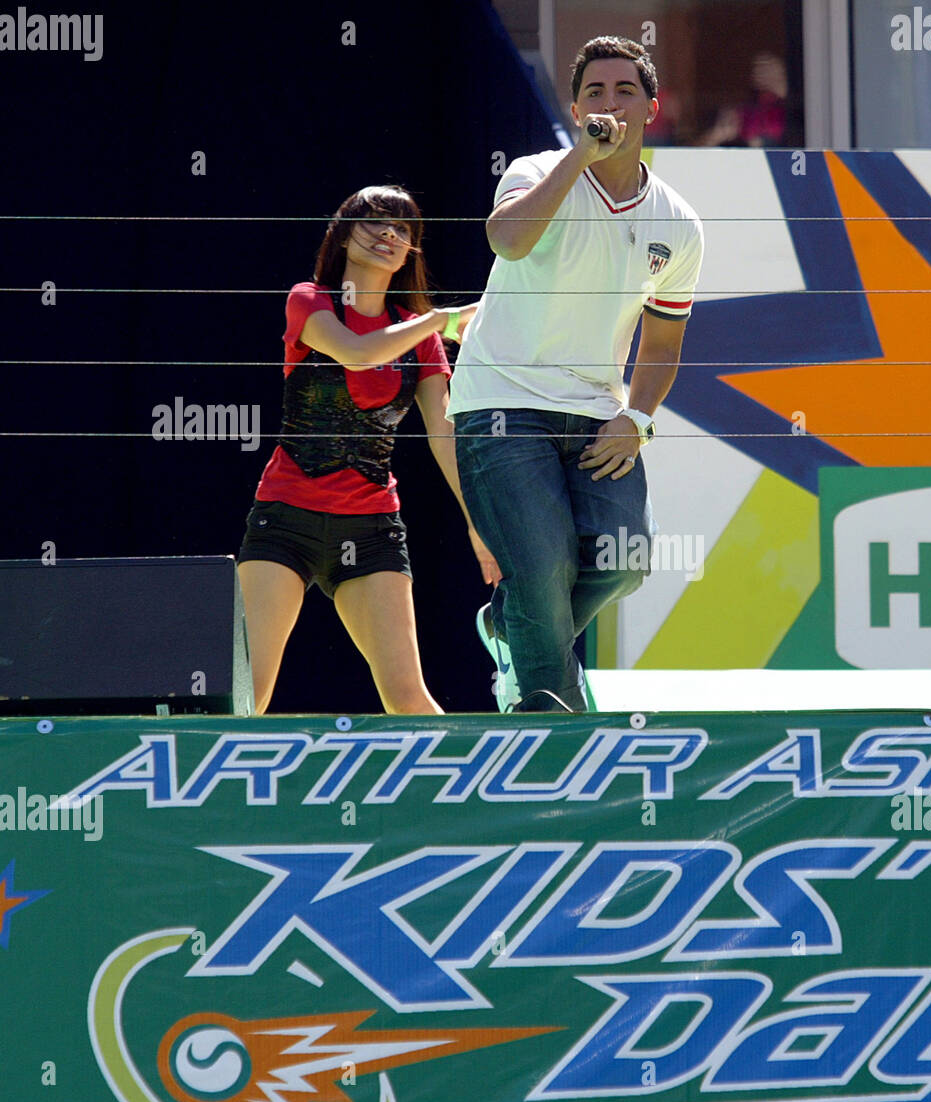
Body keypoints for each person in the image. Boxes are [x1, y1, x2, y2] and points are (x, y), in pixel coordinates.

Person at [449, 35, 704, 712]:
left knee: (626, 560)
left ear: (651, 109)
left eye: (625, 92)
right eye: (595, 92)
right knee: (542, 568)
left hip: (596, 410)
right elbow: (508, 240)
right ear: (574, 107)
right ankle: (555, 732)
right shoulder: (537, 171)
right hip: (500, 402)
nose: (610, 104)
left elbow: (663, 343)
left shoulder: (678, 224)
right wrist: (581, 157)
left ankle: (511, 630)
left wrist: (639, 419)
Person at [237, 185, 499, 715]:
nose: (389, 234)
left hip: (374, 528)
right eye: (376, 221)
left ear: (410, 252)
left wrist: (479, 525)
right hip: (285, 520)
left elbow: (442, 433)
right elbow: (357, 355)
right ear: (343, 234)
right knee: (248, 694)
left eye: (403, 229)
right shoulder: (309, 301)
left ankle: (463, 795)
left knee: (408, 698)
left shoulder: (420, 339)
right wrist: (438, 319)